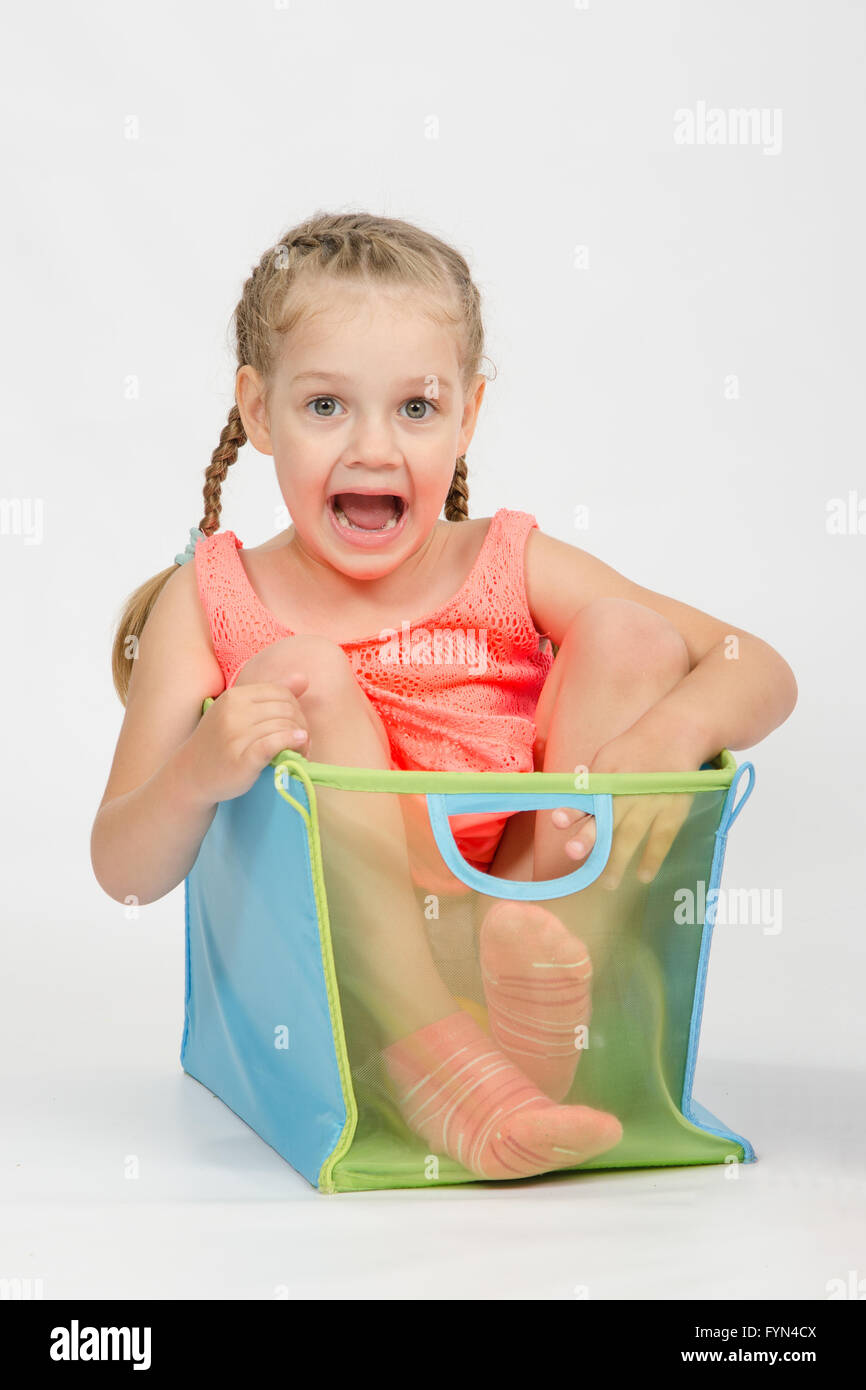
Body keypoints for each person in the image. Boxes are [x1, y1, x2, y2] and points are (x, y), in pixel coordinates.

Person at [91, 211, 797, 1181]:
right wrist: (196, 776)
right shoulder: (213, 597)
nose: (373, 449)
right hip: (357, 973)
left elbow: (752, 662)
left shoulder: (504, 560)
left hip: (527, 920)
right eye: (325, 406)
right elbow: (122, 868)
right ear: (257, 411)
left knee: (635, 638)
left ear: (466, 415)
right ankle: (441, 1067)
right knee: (306, 670)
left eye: (415, 410)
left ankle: (545, 1044)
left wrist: (673, 730)